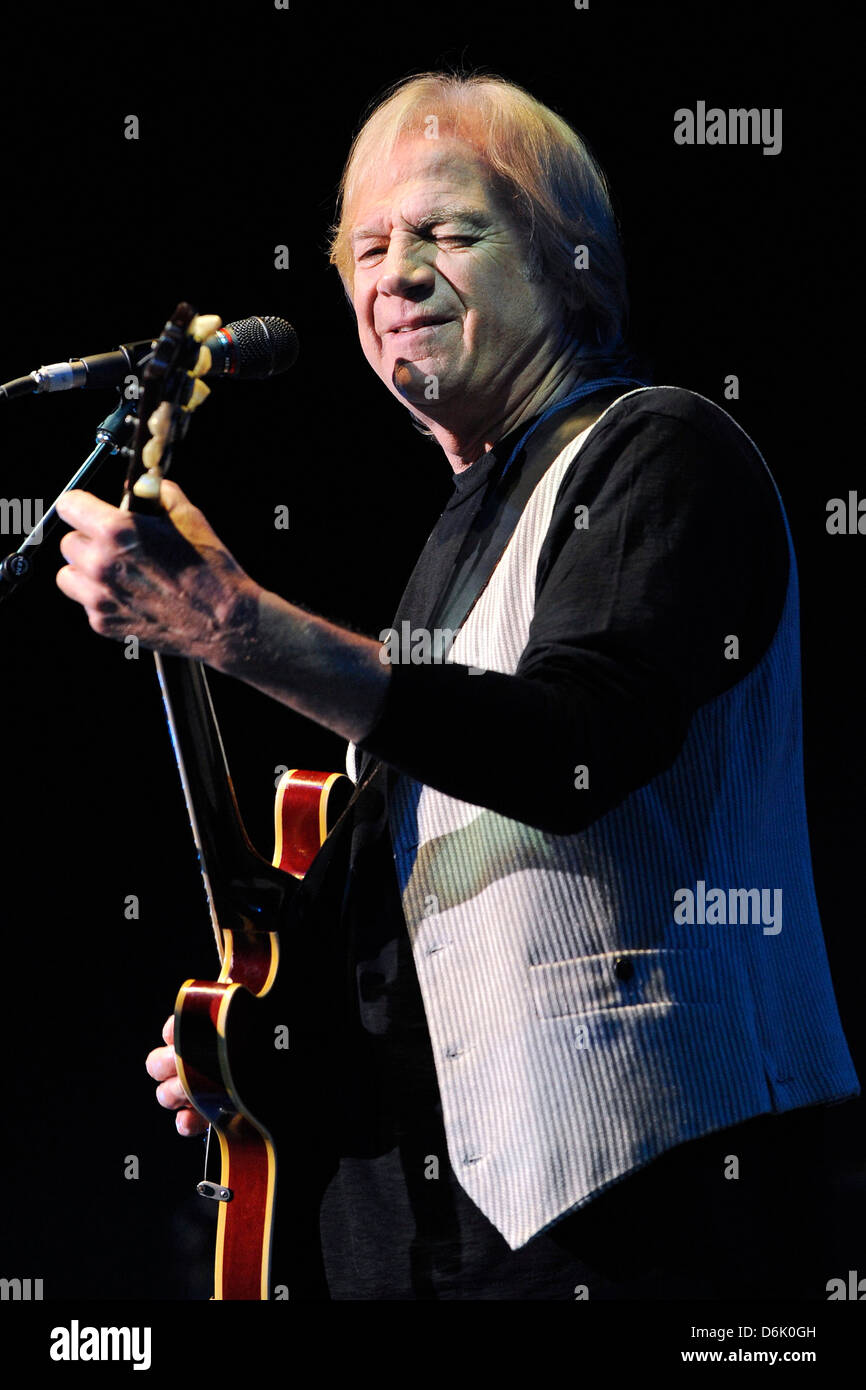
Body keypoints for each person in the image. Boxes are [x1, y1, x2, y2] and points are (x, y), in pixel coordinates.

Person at [56, 72, 859, 1300]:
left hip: (649, 1209)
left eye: (447, 232)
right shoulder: (450, 544)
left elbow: (572, 748)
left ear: (568, 260)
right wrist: (249, 1046)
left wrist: (238, 628)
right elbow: (415, 927)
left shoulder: (662, 448)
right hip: (430, 1238)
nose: (397, 273)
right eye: (368, 247)